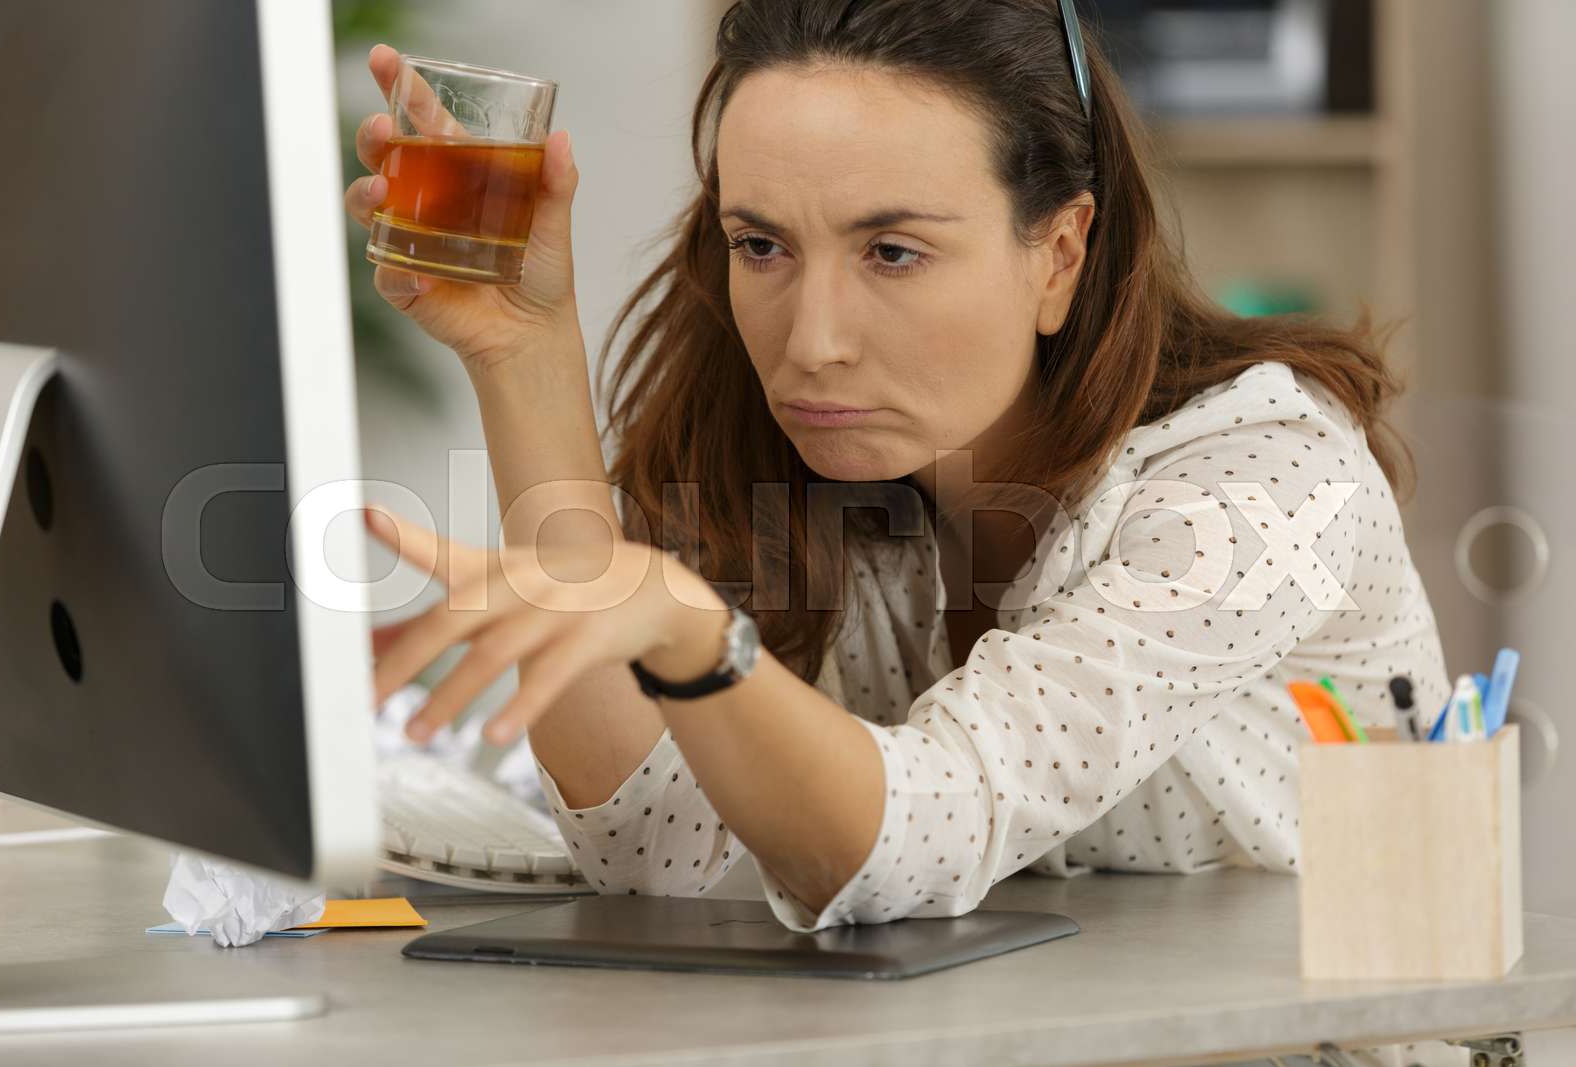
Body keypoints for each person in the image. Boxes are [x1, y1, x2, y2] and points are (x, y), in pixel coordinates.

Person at [345, 0, 1449, 933]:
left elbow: (916, 831)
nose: (812, 337)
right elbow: (656, 859)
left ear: (1058, 255)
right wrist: (521, 352)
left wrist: (688, 632)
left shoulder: (1264, 479)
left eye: (892, 252)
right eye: (762, 245)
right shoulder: (815, 478)